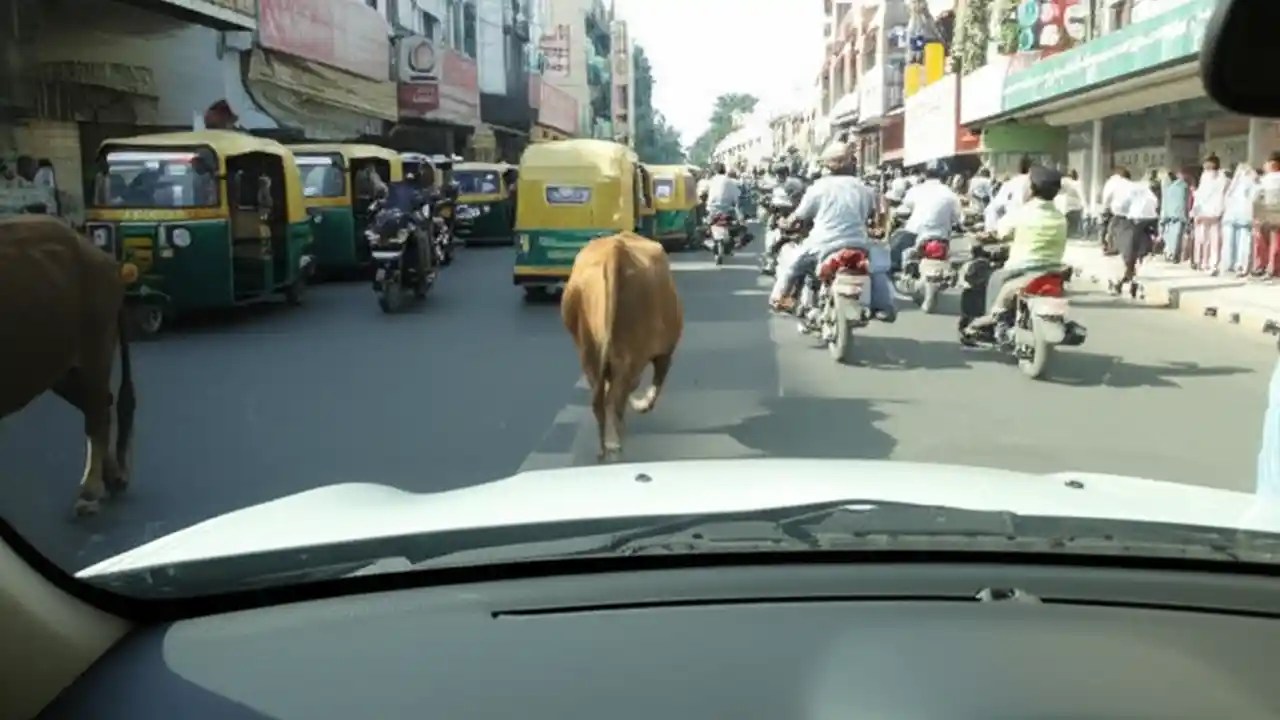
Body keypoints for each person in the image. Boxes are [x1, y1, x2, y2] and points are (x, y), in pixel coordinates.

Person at [768, 141, 895, 321]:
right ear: (852, 164)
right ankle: (884, 307)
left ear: (828, 165)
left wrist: (785, 223)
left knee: (792, 266)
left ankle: (781, 300)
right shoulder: (866, 189)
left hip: (822, 244)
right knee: (879, 268)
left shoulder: (817, 188)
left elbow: (799, 216)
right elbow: (876, 218)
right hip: (858, 243)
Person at [965, 166, 1069, 333]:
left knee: (995, 279)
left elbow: (1000, 233)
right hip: (1053, 270)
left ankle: (994, 319)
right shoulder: (1060, 217)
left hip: (1022, 269)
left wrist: (982, 236)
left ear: (1032, 189)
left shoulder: (1023, 212)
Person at [890, 159, 962, 271]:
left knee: (894, 259)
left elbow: (905, 208)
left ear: (924, 174)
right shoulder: (950, 194)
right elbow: (958, 217)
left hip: (915, 234)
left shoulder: (915, 190)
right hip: (941, 237)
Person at [1111, 174, 1157, 298]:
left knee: (1128, 249)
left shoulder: (1127, 190)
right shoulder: (1147, 191)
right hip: (1148, 220)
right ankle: (1131, 275)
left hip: (1133, 219)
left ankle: (1127, 275)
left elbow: (1119, 207)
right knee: (1138, 251)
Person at [1221, 162, 1259, 278]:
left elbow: (1226, 199)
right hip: (1244, 215)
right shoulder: (1252, 183)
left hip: (1232, 216)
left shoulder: (1234, 184)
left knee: (1231, 242)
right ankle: (1240, 266)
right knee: (1243, 242)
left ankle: (1230, 265)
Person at [1192, 154, 1228, 271]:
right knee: (1214, 239)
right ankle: (1212, 263)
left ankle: (1204, 262)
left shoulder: (1206, 177)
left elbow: (1201, 195)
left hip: (1205, 211)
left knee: (1205, 239)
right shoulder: (1223, 177)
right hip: (1216, 212)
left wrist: (1195, 210)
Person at [985, 155, 1033, 232]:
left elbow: (992, 208)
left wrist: (992, 230)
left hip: (1012, 227)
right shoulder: (1038, 183)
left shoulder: (1010, 183)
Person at [1254, 153, 1280, 278]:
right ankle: (1271, 267)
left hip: (1268, 215)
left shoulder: (1265, 180)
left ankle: (1266, 267)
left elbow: (1256, 198)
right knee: (1274, 242)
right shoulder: (1265, 179)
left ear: (1274, 164)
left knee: (1266, 242)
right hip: (1272, 215)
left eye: (1268, 162)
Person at [1160, 168, 1193, 262]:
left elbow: (1165, 202)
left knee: (1169, 235)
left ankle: (1169, 252)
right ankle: (1174, 254)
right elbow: (1185, 202)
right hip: (1179, 215)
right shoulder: (1183, 186)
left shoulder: (1167, 187)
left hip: (1168, 215)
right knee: (1177, 236)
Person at [1099, 166, 1131, 253]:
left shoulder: (1111, 182)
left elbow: (1106, 196)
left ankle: (1106, 245)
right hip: (1114, 208)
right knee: (1112, 228)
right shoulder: (1119, 182)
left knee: (1107, 227)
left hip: (1110, 207)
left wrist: (1105, 206)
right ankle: (1111, 246)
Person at [1056, 169, 1085, 238]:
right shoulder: (1077, 183)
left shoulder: (1066, 182)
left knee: (1068, 224)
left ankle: (1068, 235)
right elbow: (1081, 194)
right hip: (1075, 207)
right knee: (1073, 225)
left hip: (1068, 207)